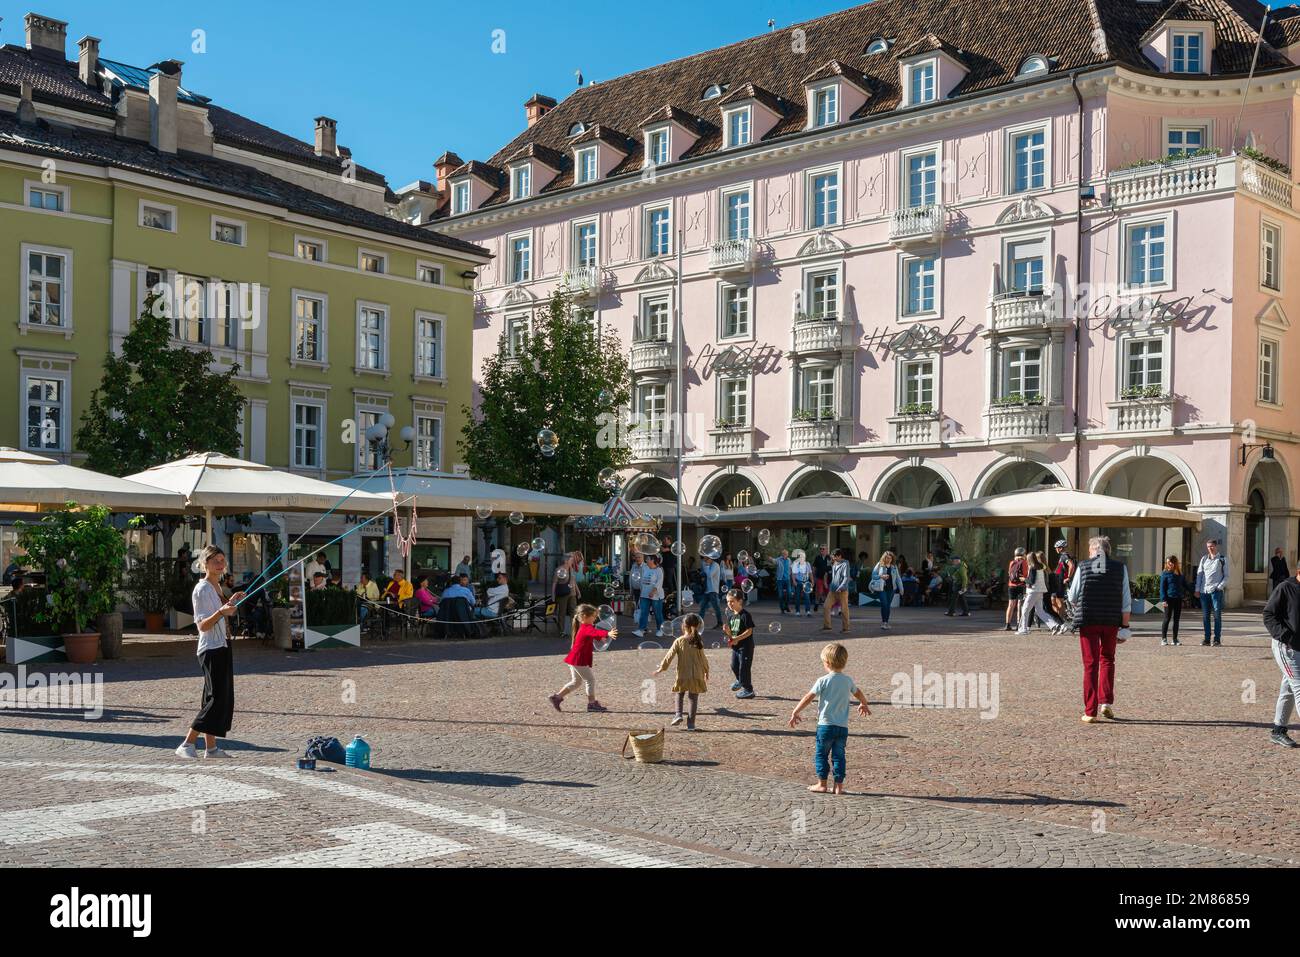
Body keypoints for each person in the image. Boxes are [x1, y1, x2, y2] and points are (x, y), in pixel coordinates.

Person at [176, 546, 244, 759]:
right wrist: (222, 611)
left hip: (222, 645)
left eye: (223, 560)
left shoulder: (217, 587)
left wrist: (230, 603)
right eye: (215, 560)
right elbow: (203, 626)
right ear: (205, 564)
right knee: (216, 699)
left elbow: (220, 615)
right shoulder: (203, 589)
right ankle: (187, 743)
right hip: (212, 648)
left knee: (214, 697)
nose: (220, 564)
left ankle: (211, 748)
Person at [788, 642, 871, 795]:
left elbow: (808, 697)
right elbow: (858, 693)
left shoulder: (823, 680)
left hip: (825, 726)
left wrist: (795, 711)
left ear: (826, 663)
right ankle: (839, 787)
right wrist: (863, 703)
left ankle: (822, 784)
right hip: (842, 727)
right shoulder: (847, 680)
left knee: (821, 755)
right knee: (839, 757)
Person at [1068, 535, 1131, 724]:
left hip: (1088, 619)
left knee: (1090, 663)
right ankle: (1105, 703)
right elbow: (1126, 600)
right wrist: (1125, 626)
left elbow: (1073, 595)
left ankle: (1090, 711)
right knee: (1108, 660)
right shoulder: (1120, 568)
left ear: (1094, 550)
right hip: (1111, 620)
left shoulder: (1084, 566)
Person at [548, 604, 615, 713]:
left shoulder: (585, 627)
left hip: (575, 659)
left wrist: (601, 637)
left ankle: (557, 697)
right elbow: (594, 632)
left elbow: (593, 634)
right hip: (578, 660)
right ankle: (592, 704)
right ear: (584, 616)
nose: (595, 618)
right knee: (590, 680)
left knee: (576, 682)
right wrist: (607, 633)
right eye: (593, 616)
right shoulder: (586, 627)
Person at [1261, 565, 1300, 749]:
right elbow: (1268, 615)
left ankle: (1278, 730)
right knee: (1299, 686)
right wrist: (1286, 636)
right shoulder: (1285, 587)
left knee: (1289, 686)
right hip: (1286, 647)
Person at [653, 612, 709, 730]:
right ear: (698, 626)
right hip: (697, 675)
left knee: (679, 693)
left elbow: (669, 656)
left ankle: (678, 714)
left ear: (683, 626)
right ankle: (691, 725)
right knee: (693, 699)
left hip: (683, 674)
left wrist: (662, 668)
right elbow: (703, 658)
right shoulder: (699, 641)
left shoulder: (679, 641)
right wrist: (706, 671)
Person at [1018, 551, 1064, 635]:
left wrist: (1024, 579)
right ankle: (1054, 625)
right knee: (1040, 611)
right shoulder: (1040, 567)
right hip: (1041, 591)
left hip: (1033, 591)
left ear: (1029, 559)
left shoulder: (1032, 568)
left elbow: (1031, 581)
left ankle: (1023, 629)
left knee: (1025, 610)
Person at [1194, 539, 1229, 647]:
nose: (1210, 548)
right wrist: (1197, 589)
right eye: (1208, 546)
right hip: (1204, 592)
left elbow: (1226, 576)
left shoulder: (1222, 559)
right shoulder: (1204, 559)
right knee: (1205, 616)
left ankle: (1217, 639)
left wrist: (1219, 587)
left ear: (1216, 546)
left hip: (1216, 591)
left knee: (1217, 616)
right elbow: (1199, 575)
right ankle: (1207, 639)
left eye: (1212, 546)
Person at [724, 588, 756, 699]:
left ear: (740, 601)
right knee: (734, 665)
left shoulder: (745, 615)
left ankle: (748, 690)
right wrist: (728, 634)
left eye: (732, 601)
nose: (730, 604)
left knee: (744, 668)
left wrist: (737, 638)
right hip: (736, 647)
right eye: (728, 601)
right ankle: (740, 680)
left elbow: (749, 631)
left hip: (746, 647)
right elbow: (732, 633)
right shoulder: (730, 616)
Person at [821, 549, 853, 634]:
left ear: (840, 556)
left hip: (842, 591)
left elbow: (846, 577)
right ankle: (827, 627)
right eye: (833, 557)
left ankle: (846, 628)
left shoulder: (845, 564)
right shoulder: (834, 563)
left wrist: (841, 587)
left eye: (835, 557)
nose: (834, 558)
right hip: (833, 590)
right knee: (826, 606)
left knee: (844, 609)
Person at [635, 553, 666, 638]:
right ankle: (641, 630)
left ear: (653, 560)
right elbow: (642, 580)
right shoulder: (645, 568)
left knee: (657, 613)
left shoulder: (659, 570)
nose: (646, 560)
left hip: (656, 596)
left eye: (648, 559)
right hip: (644, 595)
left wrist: (653, 591)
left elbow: (659, 583)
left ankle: (660, 629)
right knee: (643, 612)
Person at [871, 551, 902, 631]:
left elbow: (898, 579)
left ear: (892, 559)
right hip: (882, 589)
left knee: (888, 605)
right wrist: (881, 576)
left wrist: (901, 589)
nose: (888, 560)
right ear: (884, 558)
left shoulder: (894, 567)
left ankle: (886, 622)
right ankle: (884, 622)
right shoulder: (879, 565)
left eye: (890, 558)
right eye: (887, 558)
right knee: (884, 604)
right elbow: (873, 575)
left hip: (891, 589)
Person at [1159, 556, 1184, 646]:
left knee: (1176, 620)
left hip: (1178, 599)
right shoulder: (1165, 573)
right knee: (1167, 618)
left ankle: (1175, 639)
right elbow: (1162, 588)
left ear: (1175, 562)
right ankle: (1164, 639)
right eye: (1167, 562)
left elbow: (1185, 584)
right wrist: (1163, 599)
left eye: (1170, 562)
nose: (1169, 564)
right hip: (1168, 599)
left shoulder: (1179, 574)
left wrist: (1195, 591)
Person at [553, 554, 577, 638]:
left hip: (572, 594)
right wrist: (553, 595)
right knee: (562, 612)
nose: (573, 561)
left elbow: (574, 582)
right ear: (566, 561)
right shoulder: (559, 570)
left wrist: (578, 592)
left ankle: (574, 631)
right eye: (571, 560)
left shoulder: (571, 569)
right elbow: (555, 582)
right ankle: (561, 631)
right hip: (563, 594)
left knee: (574, 612)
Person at [1051, 540, 1076, 620]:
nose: (1056, 549)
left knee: (1059, 601)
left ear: (1061, 548)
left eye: (1057, 548)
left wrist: (1068, 577)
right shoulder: (1064, 556)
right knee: (1054, 601)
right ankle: (1061, 619)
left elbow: (1071, 565)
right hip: (1058, 581)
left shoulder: (1064, 556)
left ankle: (1061, 621)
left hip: (1060, 582)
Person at [698, 554, 724, 629]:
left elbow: (709, 575)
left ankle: (720, 623)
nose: (705, 560)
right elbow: (703, 574)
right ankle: (699, 623)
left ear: (710, 558)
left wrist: (706, 566)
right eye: (704, 559)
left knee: (716, 608)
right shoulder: (708, 564)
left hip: (713, 590)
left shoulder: (715, 565)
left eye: (706, 558)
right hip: (707, 590)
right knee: (702, 607)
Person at [1005, 547, 1027, 633]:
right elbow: (1025, 574)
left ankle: (1007, 624)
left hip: (1011, 585)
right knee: (1019, 604)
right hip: (1020, 585)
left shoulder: (1012, 562)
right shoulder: (1024, 562)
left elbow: (1009, 573)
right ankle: (1018, 624)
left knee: (1010, 604)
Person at [791, 549, 812, 617]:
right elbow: (793, 574)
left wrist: (813, 581)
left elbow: (810, 573)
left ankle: (808, 611)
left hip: (806, 582)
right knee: (797, 597)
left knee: (807, 597)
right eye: (800, 557)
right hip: (798, 582)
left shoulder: (807, 564)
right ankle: (797, 611)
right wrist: (794, 581)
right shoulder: (795, 564)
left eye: (802, 557)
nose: (801, 558)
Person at [773, 549, 792, 614]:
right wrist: (769, 558)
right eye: (783, 554)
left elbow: (790, 568)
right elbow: (774, 561)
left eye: (785, 554)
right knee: (780, 595)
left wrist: (790, 574)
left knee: (789, 593)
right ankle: (782, 608)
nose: (784, 555)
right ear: (782, 554)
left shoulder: (789, 560)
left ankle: (786, 605)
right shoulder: (779, 560)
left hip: (787, 579)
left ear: (787, 555)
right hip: (780, 580)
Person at [812, 545, 831, 610]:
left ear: (826, 550)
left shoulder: (829, 557)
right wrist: (813, 576)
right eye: (821, 549)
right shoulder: (818, 557)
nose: (822, 550)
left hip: (827, 578)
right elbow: (814, 567)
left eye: (823, 549)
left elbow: (830, 567)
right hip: (819, 577)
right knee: (819, 591)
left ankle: (826, 605)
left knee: (827, 592)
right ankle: (817, 603)